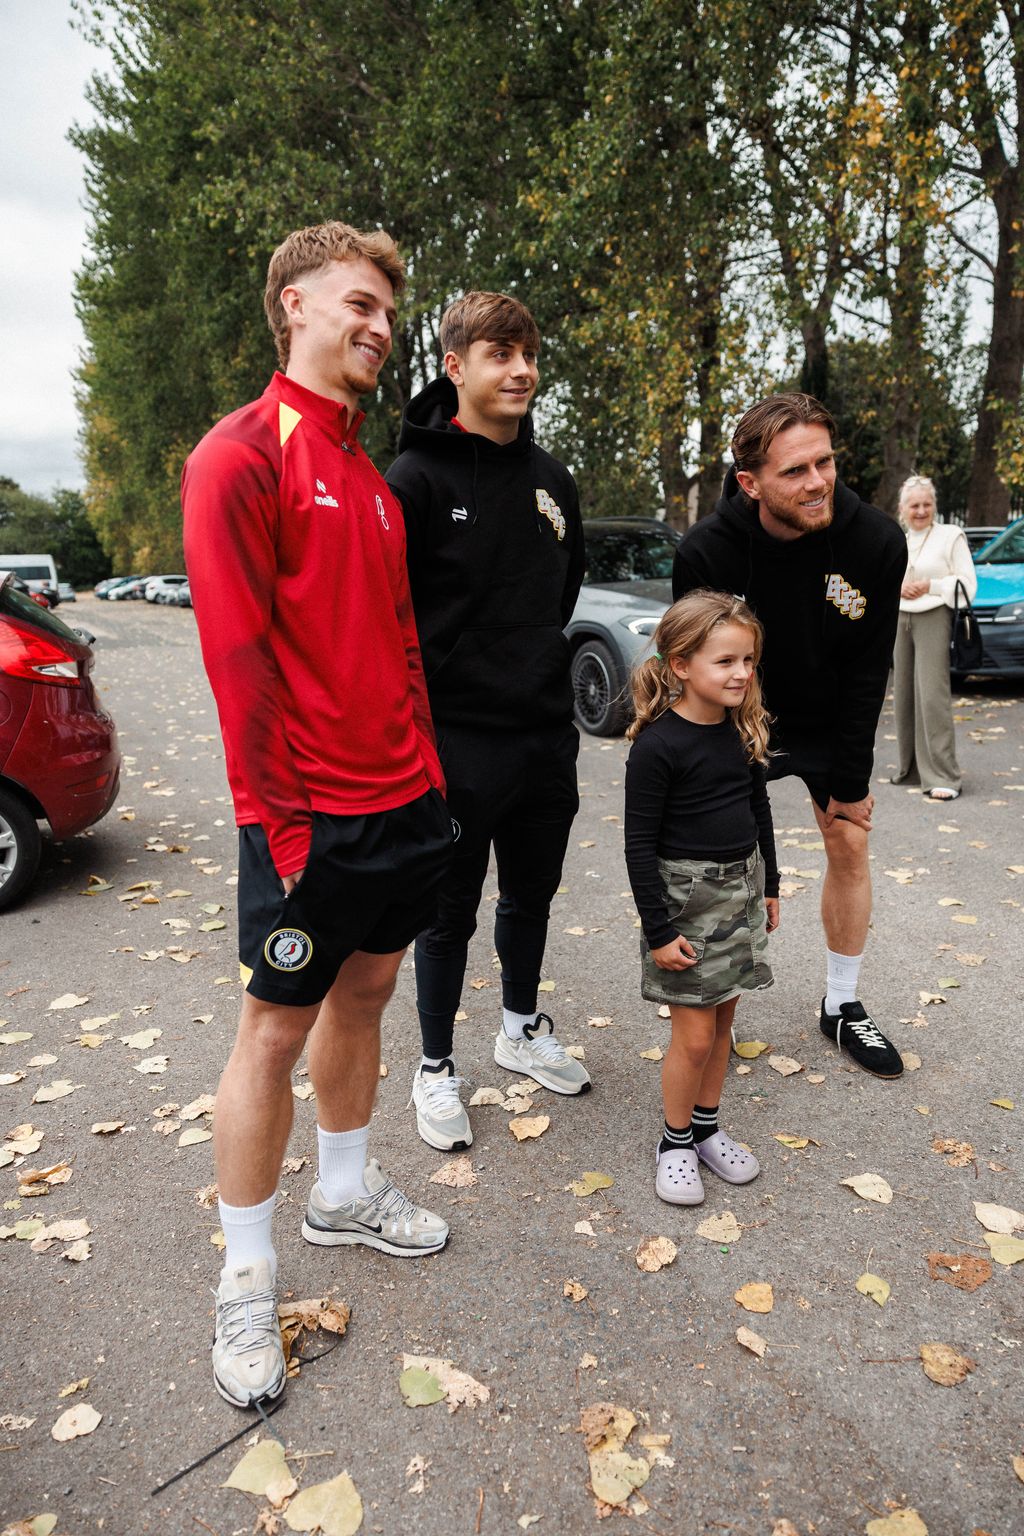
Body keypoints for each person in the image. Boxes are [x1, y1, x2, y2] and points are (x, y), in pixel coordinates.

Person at [182, 221, 454, 1410]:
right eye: (358, 303)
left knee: (371, 992)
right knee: (273, 1035)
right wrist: (283, 833)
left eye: (390, 312)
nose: (379, 328)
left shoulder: (371, 475)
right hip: (307, 825)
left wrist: (431, 778)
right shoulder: (238, 457)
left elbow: (397, 648)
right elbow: (238, 665)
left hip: (406, 808)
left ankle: (342, 1191)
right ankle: (247, 1274)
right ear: (292, 305)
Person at [385, 291, 589, 1153]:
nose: (521, 370)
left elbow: (562, 590)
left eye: (529, 353)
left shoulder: (553, 481)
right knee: (448, 912)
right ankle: (436, 1066)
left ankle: (519, 1027)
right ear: (455, 366)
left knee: (532, 896)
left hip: (543, 736)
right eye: (501, 353)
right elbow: (390, 614)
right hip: (456, 742)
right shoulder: (416, 479)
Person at [672, 392, 906, 1079]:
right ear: (750, 484)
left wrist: (852, 783)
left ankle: (842, 1005)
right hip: (741, 712)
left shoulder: (875, 542)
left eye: (824, 462)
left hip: (830, 713)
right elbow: (701, 679)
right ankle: (709, 1009)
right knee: (722, 858)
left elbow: (870, 668)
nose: (817, 482)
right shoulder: (707, 552)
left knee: (849, 837)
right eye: (795, 471)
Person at [624, 592, 779, 1205]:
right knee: (691, 1037)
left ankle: (708, 1130)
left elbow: (758, 809)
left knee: (722, 1025)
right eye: (725, 662)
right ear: (681, 664)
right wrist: (659, 931)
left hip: (740, 892)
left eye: (748, 660)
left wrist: (770, 885)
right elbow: (638, 847)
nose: (741, 673)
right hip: (685, 905)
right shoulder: (657, 746)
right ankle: (675, 1142)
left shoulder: (742, 731)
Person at [892, 475, 976, 801]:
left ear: (935, 506)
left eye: (927, 504)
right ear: (902, 509)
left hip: (934, 615)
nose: (921, 510)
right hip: (900, 617)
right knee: (904, 696)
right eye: (914, 505)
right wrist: (897, 588)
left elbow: (967, 584)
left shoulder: (950, 536)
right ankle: (911, 769)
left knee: (932, 695)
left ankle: (944, 774)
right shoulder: (898, 540)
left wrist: (931, 585)